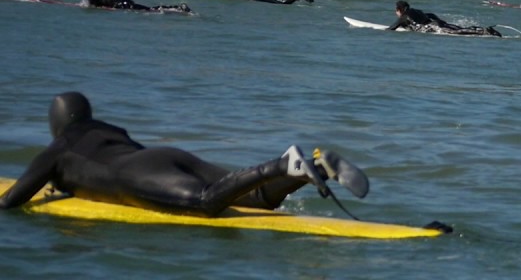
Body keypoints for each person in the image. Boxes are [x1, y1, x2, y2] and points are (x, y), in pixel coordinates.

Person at [0, 92, 371, 217]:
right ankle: (309, 169)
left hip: (134, 175)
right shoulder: (111, 130)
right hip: (162, 157)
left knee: (206, 203)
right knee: (256, 200)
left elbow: (12, 202)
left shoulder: (57, 150)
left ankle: (281, 163)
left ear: (56, 122)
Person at [386, 0, 499, 36]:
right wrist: (441, 21)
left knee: (457, 32)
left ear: (399, 10)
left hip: (432, 27)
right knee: (458, 28)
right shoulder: (416, 10)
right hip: (436, 22)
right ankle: (480, 28)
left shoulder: (403, 17)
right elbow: (430, 14)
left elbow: (391, 29)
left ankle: (484, 31)